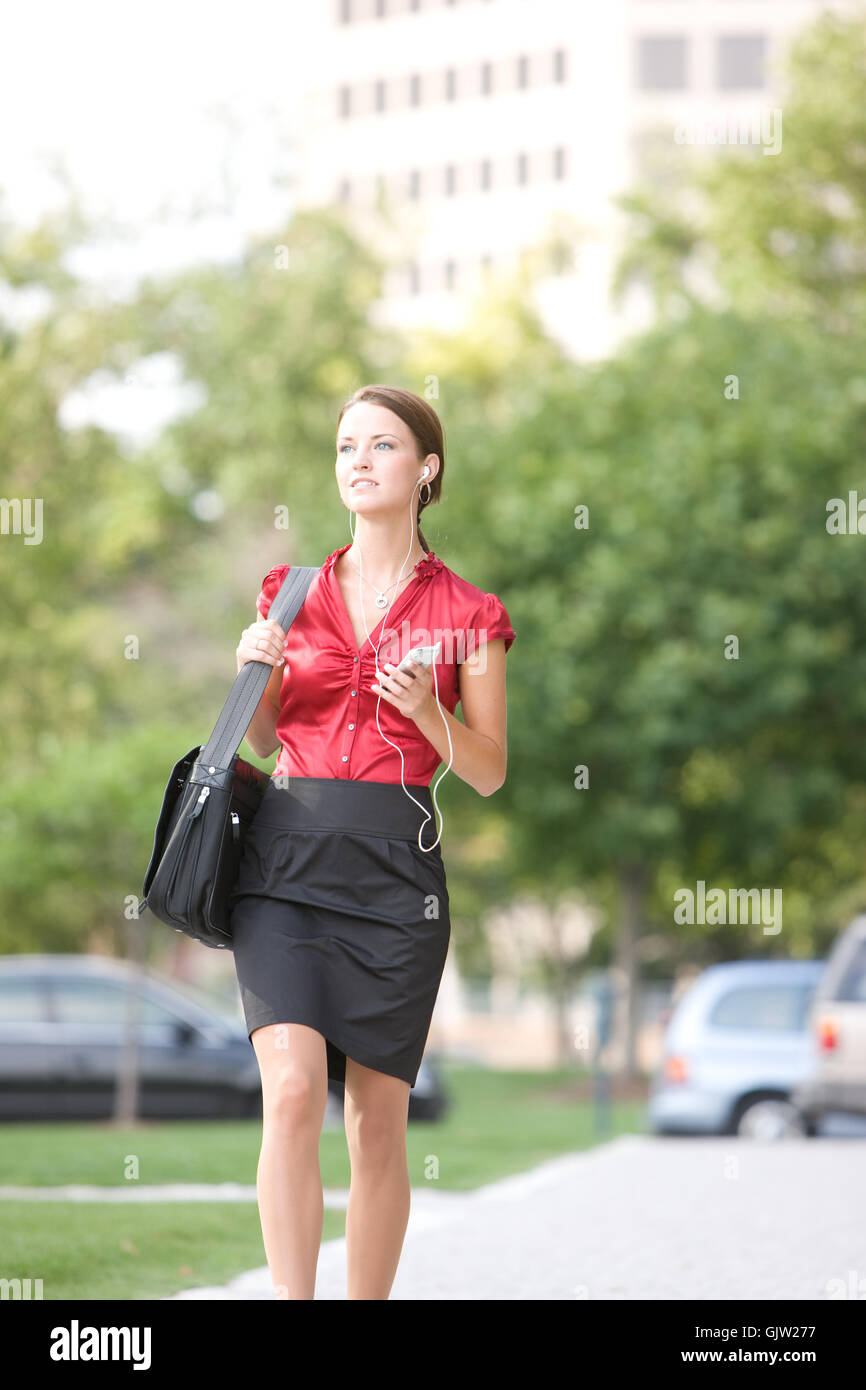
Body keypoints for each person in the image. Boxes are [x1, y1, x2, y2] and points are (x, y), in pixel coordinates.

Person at [227, 383, 516, 1300]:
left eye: (382, 445)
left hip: (396, 875)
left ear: (425, 469)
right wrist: (255, 677)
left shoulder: (469, 615)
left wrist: (432, 710)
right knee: (294, 1091)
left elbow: (488, 771)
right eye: (347, 445)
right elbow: (268, 738)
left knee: (375, 1124)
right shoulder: (290, 591)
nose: (358, 460)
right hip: (284, 862)